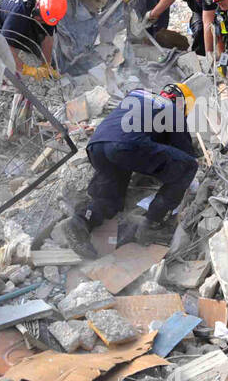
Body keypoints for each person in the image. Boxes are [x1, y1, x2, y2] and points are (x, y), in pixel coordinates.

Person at [59, 82, 199, 257]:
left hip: (97, 145)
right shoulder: (171, 109)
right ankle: (151, 225)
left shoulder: (137, 94)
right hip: (126, 146)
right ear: (181, 103)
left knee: (111, 197)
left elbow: (133, 129)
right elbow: (184, 155)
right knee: (188, 167)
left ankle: (80, 222)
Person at [0, 0, 66, 75]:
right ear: (37, 6)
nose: (42, 22)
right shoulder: (19, 10)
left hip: (13, 21)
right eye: (41, 18)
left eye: (44, 20)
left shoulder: (49, 12)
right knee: (0, 61)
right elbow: (4, 46)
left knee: (35, 43)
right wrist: (26, 70)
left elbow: (48, 38)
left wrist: (46, 65)